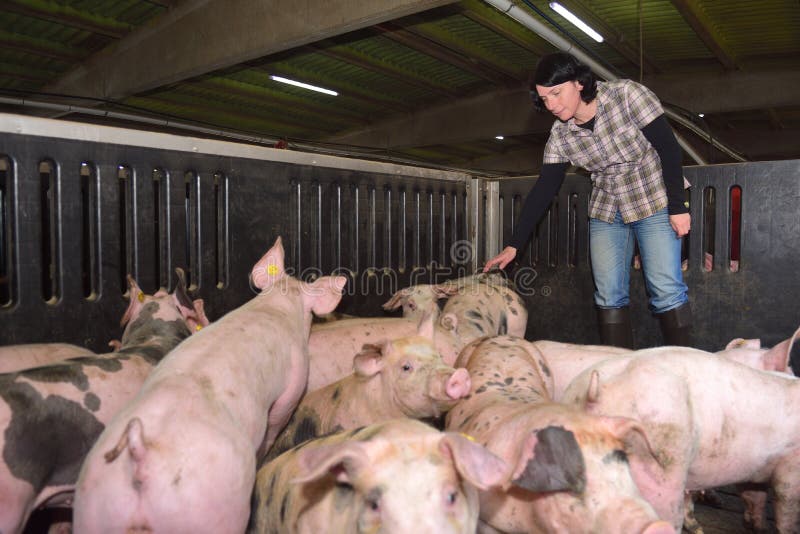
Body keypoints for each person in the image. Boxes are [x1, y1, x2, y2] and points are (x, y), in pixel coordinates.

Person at [484, 52, 691, 348]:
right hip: (608, 208)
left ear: (579, 83)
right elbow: (545, 188)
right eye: (544, 99)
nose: (552, 105)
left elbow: (669, 149)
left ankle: (684, 365)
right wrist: (514, 244)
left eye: (556, 93)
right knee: (608, 294)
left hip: (653, 198)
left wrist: (678, 206)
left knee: (665, 289)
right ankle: (616, 369)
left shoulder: (628, 95)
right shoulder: (560, 135)